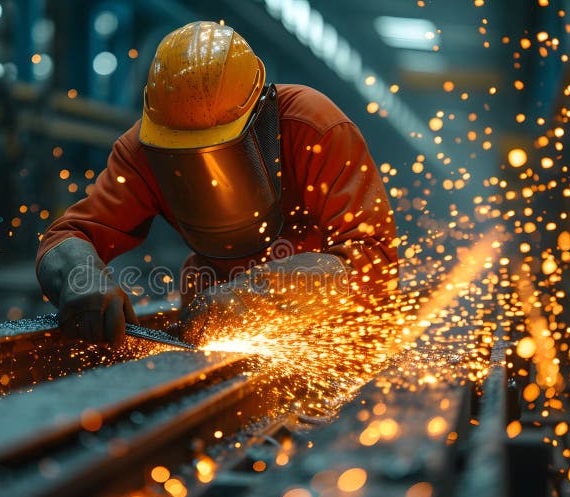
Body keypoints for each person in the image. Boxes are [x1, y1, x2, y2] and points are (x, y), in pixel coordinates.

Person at [36, 21, 399, 346]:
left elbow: (374, 261)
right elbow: (69, 235)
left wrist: (254, 297)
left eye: (217, 148)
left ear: (258, 115)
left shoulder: (314, 128)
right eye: (182, 155)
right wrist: (80, 277)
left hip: (333, 328)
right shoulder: (144, 150)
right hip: (212, 321)